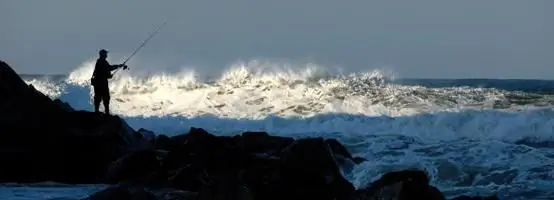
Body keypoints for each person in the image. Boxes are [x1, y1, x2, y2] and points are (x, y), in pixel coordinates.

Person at [90, 49, 127, 115]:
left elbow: (107, 69)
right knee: (105, 97)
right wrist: (118, 66)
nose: (107, 55)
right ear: (103, 55)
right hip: (102, 83)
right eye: (106, 54)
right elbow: (108, 68)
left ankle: (97, 111)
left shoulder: (100, 61)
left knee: (98, 97)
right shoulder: (102, 62)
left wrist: (118, 66)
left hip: (98, 82)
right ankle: (106, 112)